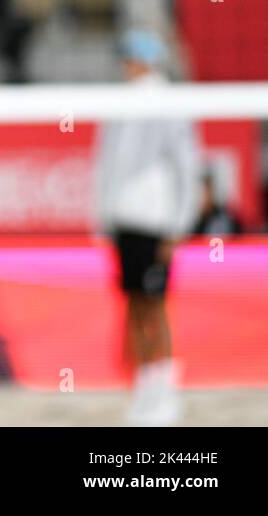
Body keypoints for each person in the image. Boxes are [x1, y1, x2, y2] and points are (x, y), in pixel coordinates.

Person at [94, 28, 202, 426]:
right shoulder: (123, 102)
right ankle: (145, 388)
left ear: (144, 60)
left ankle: (164, 390)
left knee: (155, 307)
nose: (124, 65)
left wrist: (178, 225)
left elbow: (185, 166)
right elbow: (108, 167)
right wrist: (104, 220)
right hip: (126, 221)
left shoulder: (167, 103)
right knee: (136, 305)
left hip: (155, 221)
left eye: (129, 57)